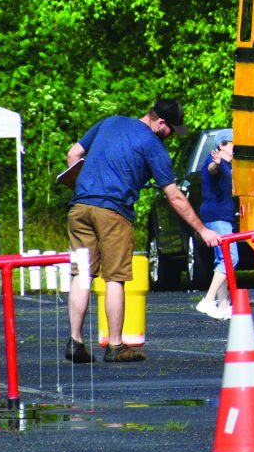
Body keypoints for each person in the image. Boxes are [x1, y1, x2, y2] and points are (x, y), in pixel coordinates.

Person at [64, 98, 221, 363]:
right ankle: (115, 346)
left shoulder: (110, 122)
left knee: (82, 274)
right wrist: (202, 230)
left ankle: (75, 341)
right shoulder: (153, 147)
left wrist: (85, 188)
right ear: (160, 122)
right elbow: (175, 196)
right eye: (171, 129)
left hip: (79, 207)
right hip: (113, 212)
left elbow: (73, 154)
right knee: (115, 277)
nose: (171, 135)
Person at [195, 131, 236, 320]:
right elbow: (212, 169)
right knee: (230, 259)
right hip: (217, 218)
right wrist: (217, 163)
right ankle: (208, 300)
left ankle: (223, 305)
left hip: (222, 218)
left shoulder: (229, 165)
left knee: (222, 260)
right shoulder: (215, 162)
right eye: (234, 143)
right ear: (223, 145)